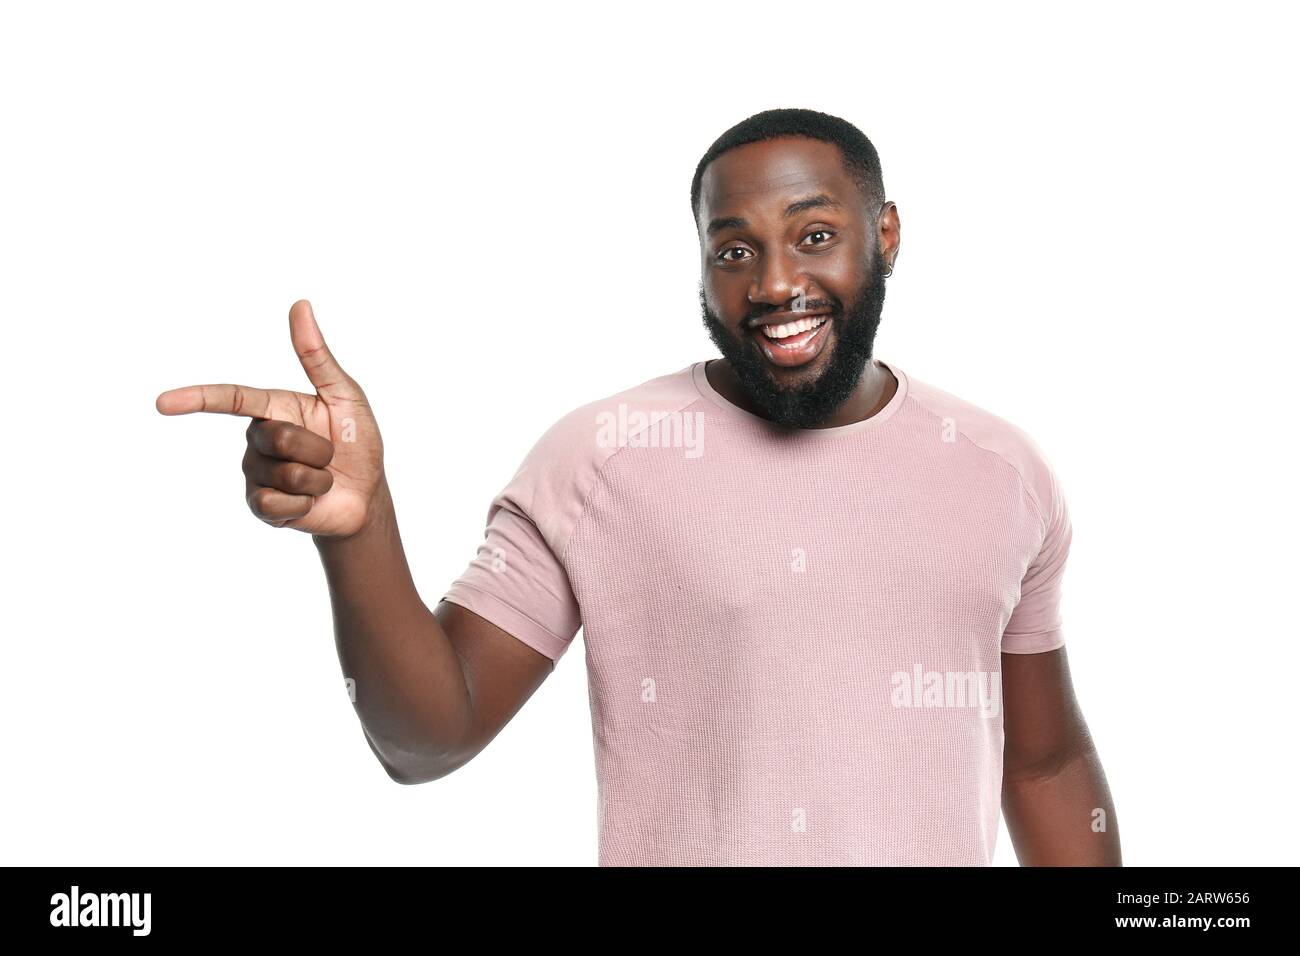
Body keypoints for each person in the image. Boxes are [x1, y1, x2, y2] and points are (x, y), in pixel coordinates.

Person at [156, 108, 1120, 866]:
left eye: (815, 235)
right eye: (733, 250)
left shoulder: (1002, 474)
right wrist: (357, 531)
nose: (776, 283)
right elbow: (426, 740)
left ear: (888, 234)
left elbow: (1043, 764)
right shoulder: (604, 458)